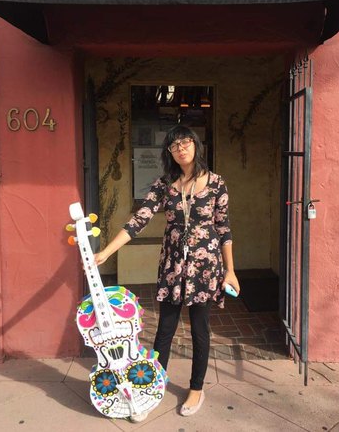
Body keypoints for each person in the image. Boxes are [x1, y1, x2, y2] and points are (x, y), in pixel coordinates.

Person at [94, 125, 240, 420]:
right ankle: (150, 387)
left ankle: (196, 388)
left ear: (196, 145)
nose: (181, 148)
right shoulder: (164, 185)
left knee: (200, 330)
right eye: (174, 145)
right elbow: (139, 220)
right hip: (173, 264)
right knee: (164, 330)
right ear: (169, 153)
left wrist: (231, 271)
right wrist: (106, 252)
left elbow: (223, 228)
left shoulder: (216, 183)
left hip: (205, 266)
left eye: (186, 142)